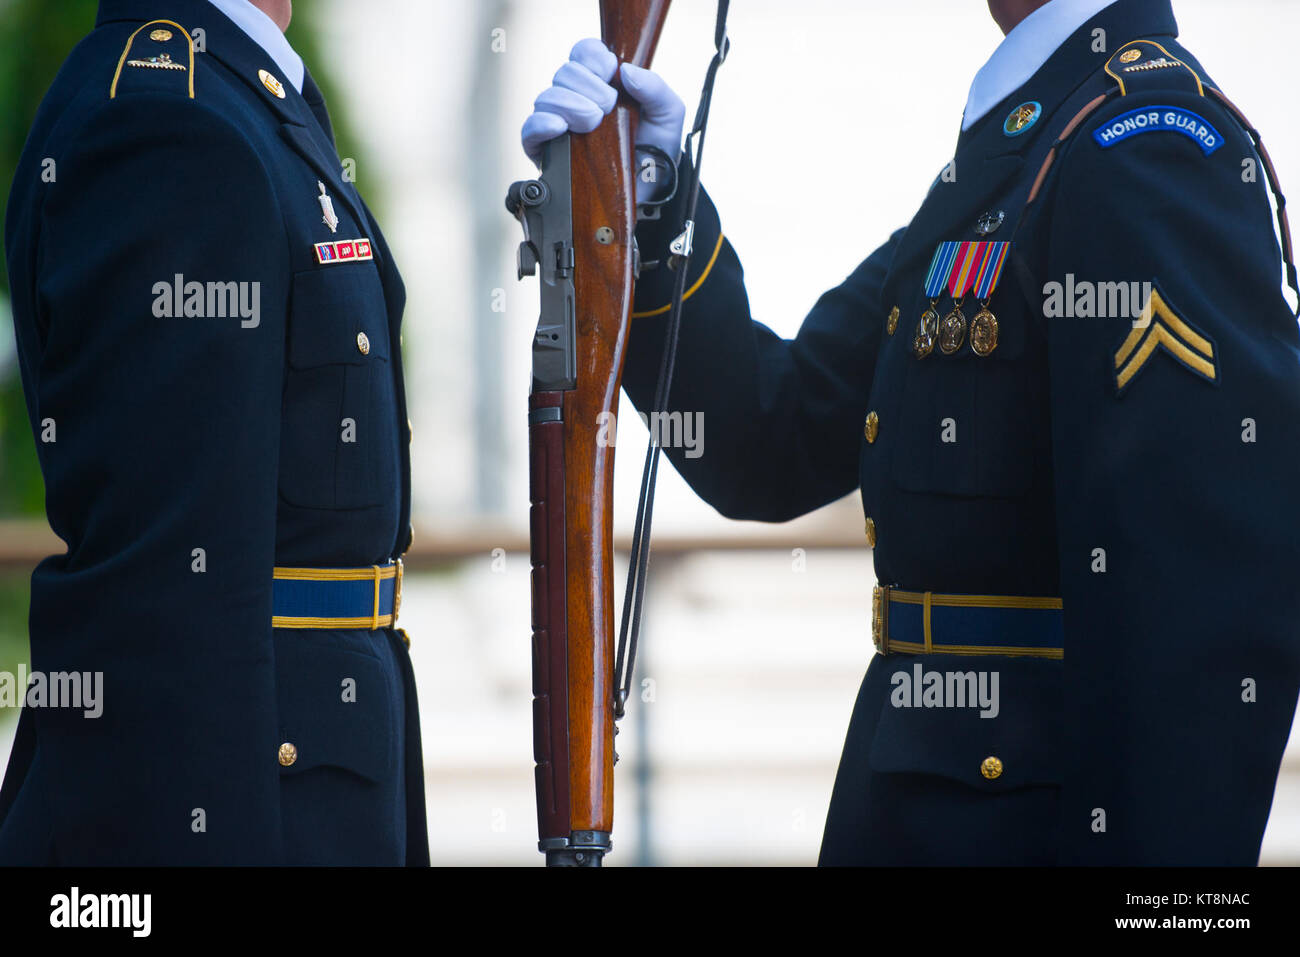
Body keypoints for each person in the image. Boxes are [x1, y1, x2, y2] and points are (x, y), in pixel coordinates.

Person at [521, 0, 1300, 864]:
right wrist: (652, 199)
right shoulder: (1024, 152)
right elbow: (765, 442)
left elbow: (1203, 621)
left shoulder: (1149, 144)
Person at [0, 0, 427, 865]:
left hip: (323, 785)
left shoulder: (243, 91)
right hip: (250, 809)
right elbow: (168, 600)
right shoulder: (169, 118)